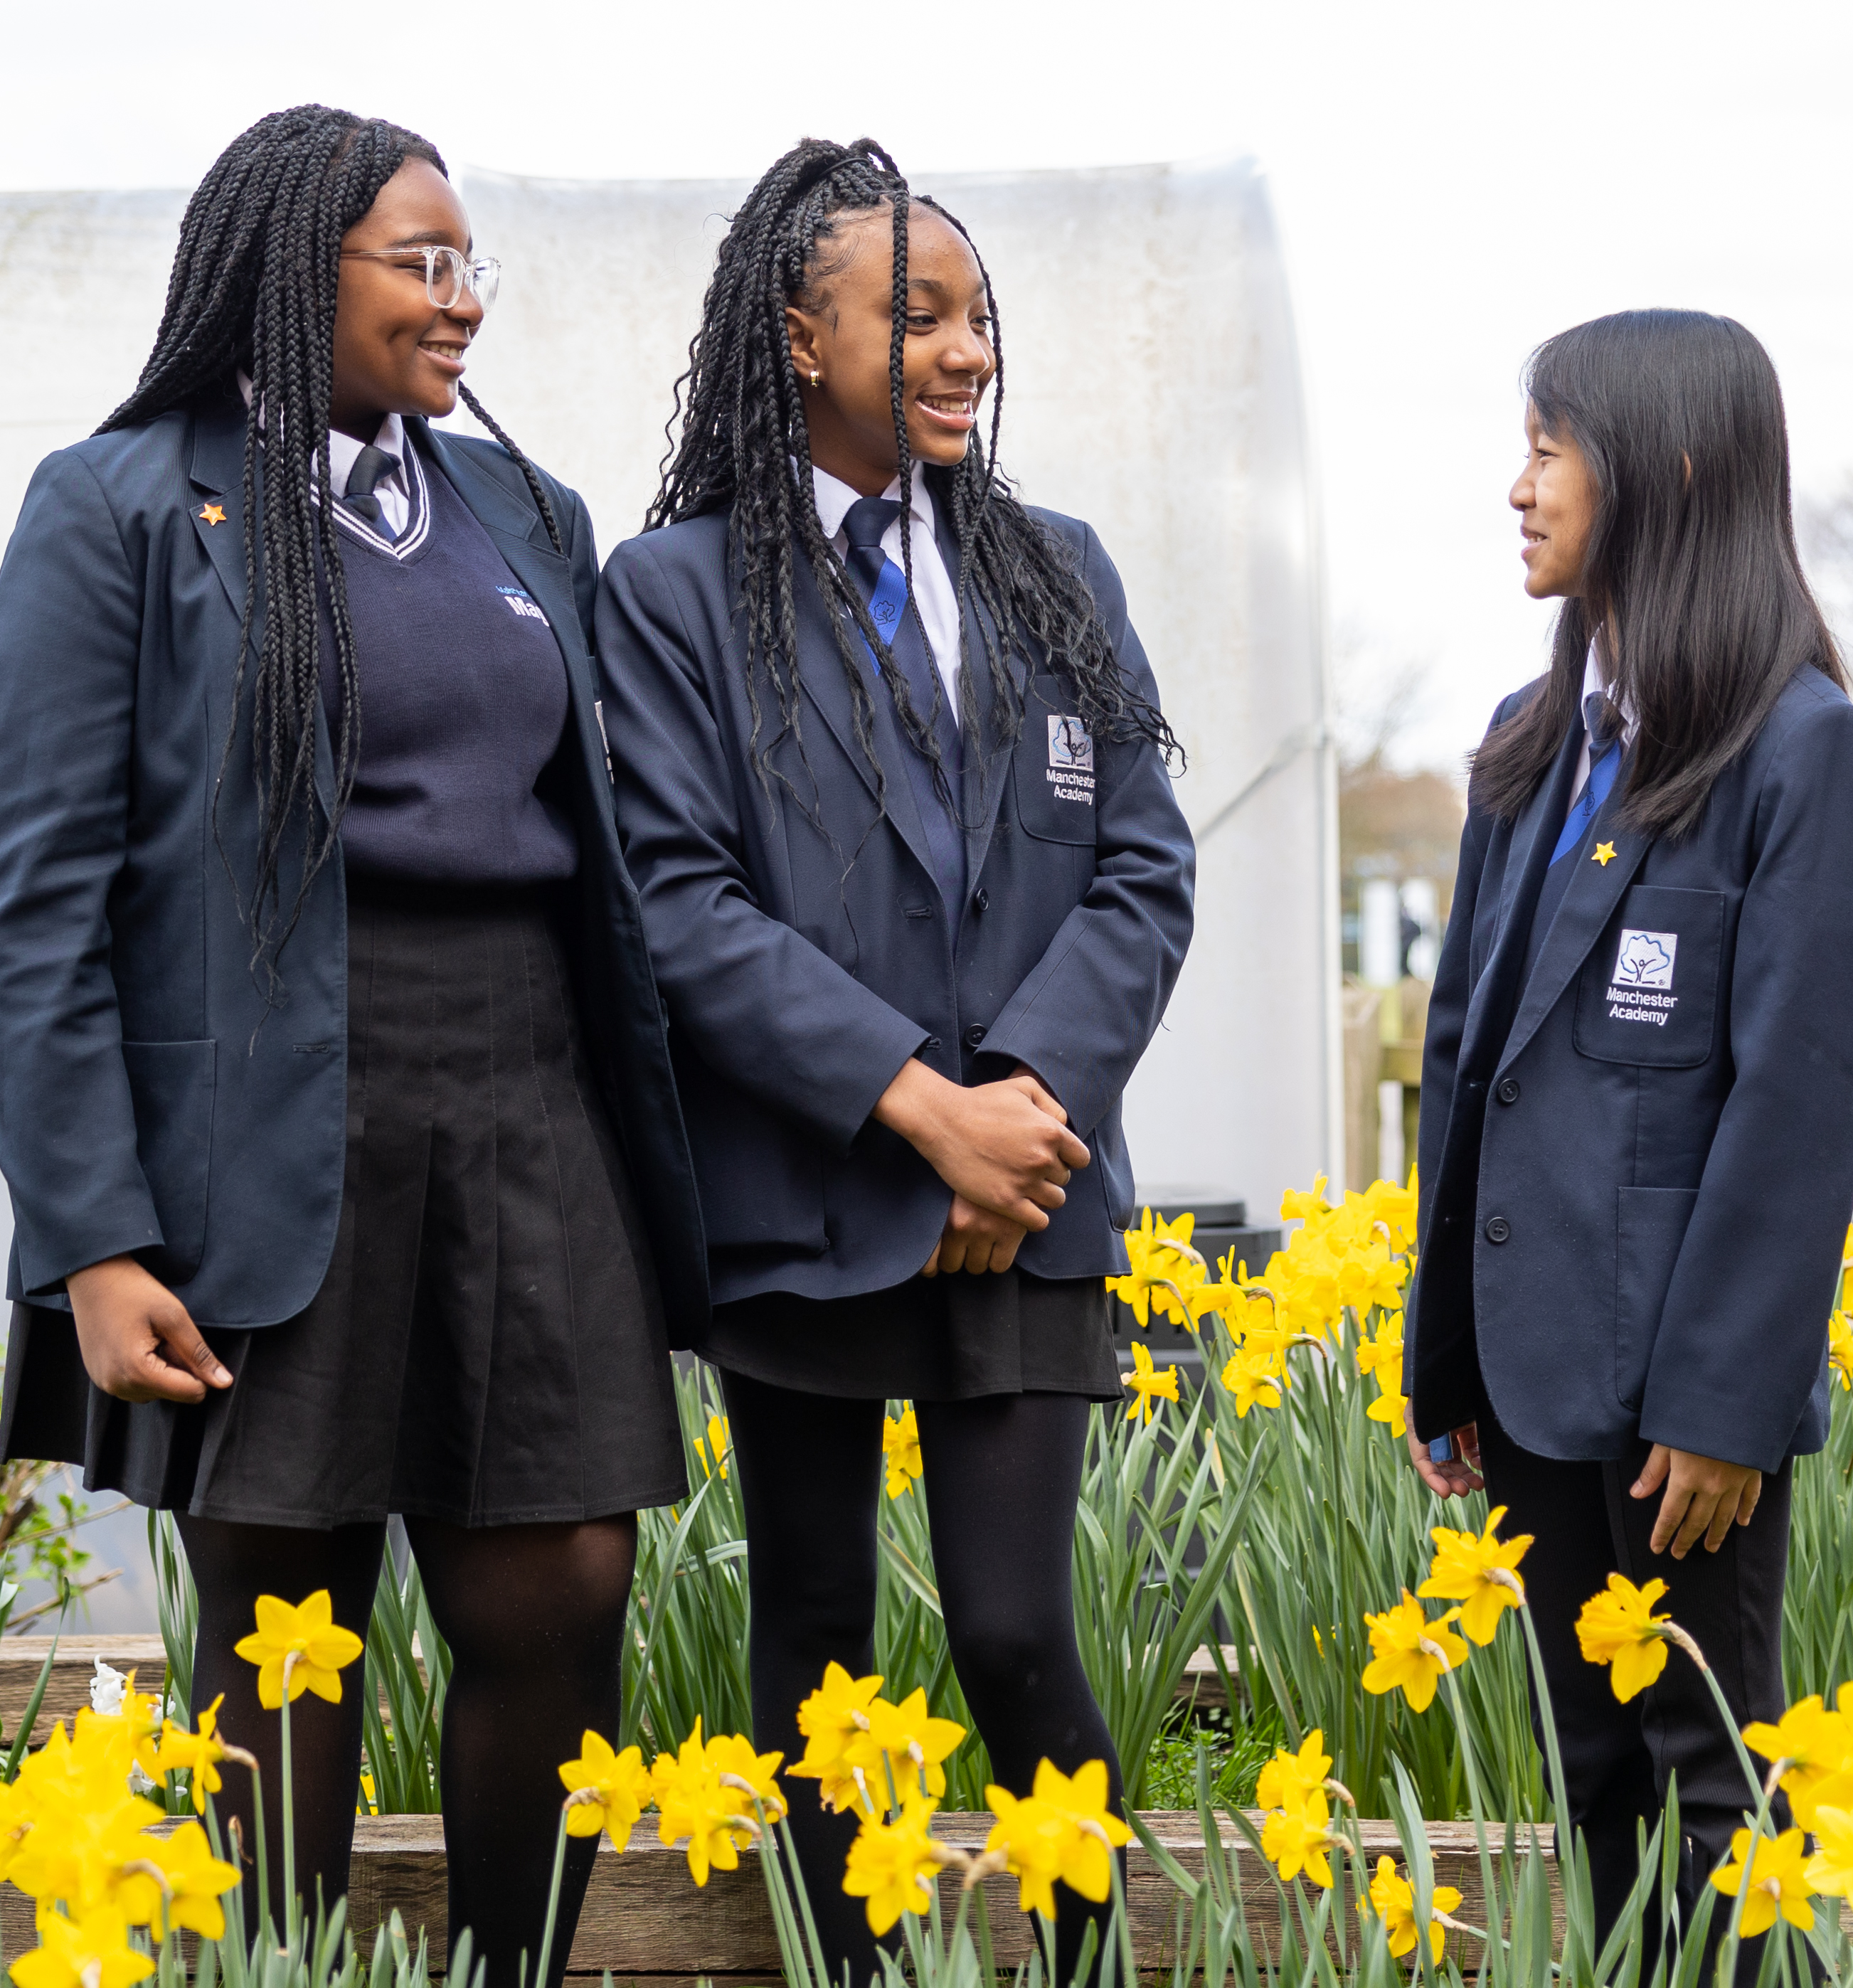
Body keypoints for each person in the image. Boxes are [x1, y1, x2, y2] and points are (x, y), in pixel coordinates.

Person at [0, 105, 703, 1980]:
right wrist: (96, 1241)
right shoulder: (124, 504)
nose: (464, 305)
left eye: (472, 267)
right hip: (271, 1127)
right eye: (422, 264)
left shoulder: (526, 514)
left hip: (530, 1096)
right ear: (299, 271)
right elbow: (30, 899)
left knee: (564, 1581)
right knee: (287, 1619)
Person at [593, 138, 1194, 1980]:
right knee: (822, 1646)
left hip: (1030, 1192)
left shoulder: (1053, 570)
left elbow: (1145, 870)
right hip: (822, 1197)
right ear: (797, 335)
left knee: (1018, 1636)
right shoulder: (676, 593)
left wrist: (1014, 1112)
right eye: (916, 316)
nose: (965, 353)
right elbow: (678, 901)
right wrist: (914, 1109)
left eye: (977, 314)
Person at [1403, 309, 1853, 1963]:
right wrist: (1439, 1365)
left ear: (1665, 469)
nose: (1517, 487)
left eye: (1548, 448)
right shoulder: (1529, 752)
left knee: (1713, 1791)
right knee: (1590, 1777)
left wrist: (1724, 1409)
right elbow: (1466, 1062)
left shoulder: (1795, 753)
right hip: (1531, 1384)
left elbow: (1796, 1103)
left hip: (1676, 1414)